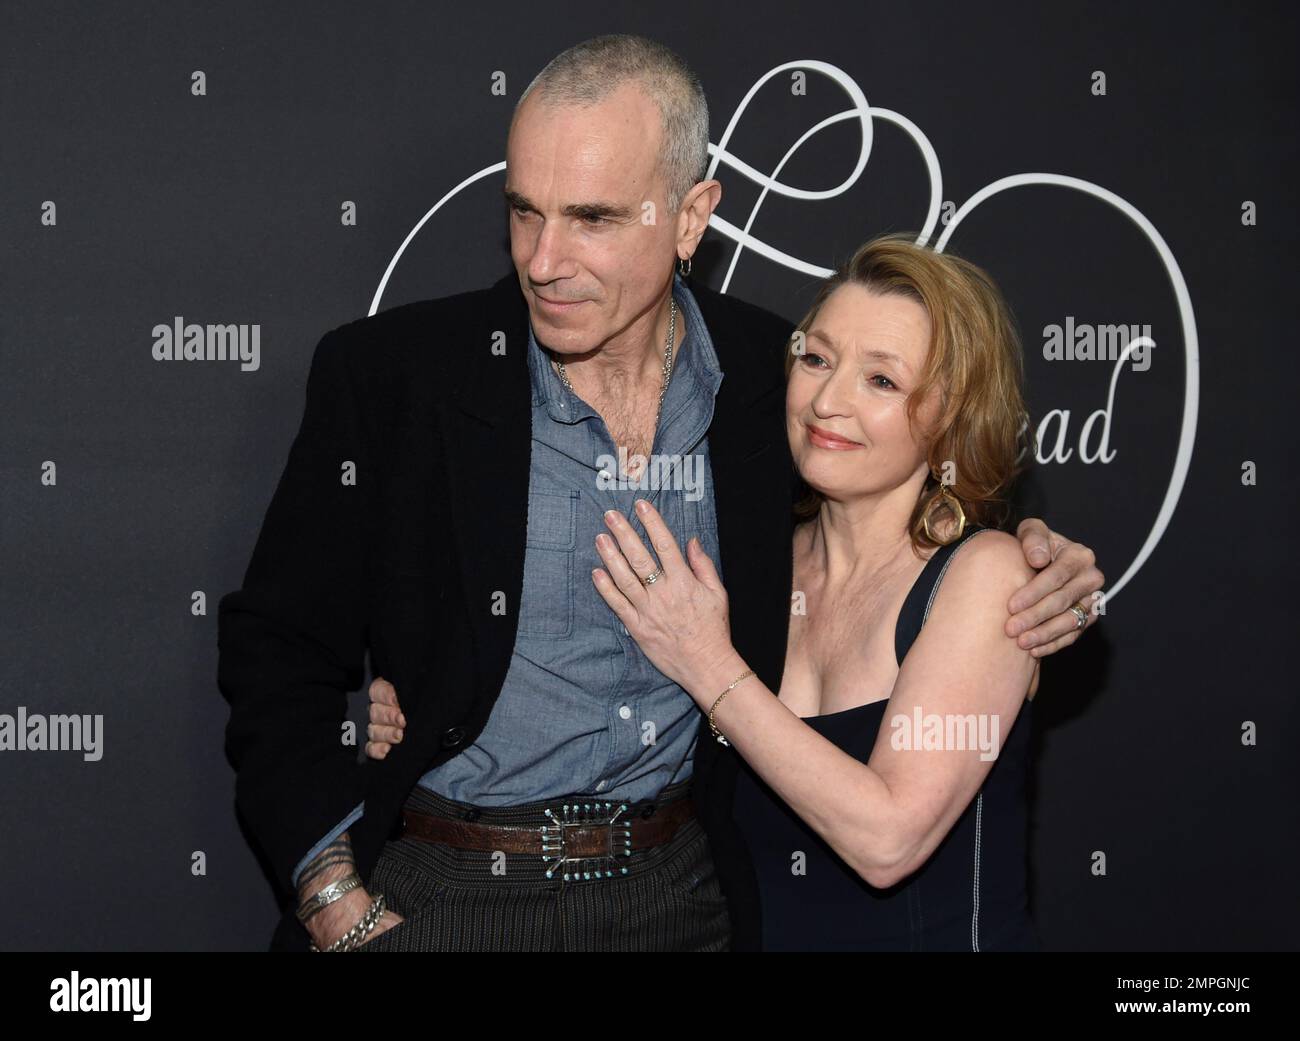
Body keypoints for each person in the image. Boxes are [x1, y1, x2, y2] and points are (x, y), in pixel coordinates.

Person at [220, 34, 1103, 953]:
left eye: (594, 219)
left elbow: (912, 510)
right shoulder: (396, 377)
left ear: (691, 217)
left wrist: (1040, 566)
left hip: (686, 897)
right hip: (447, 892)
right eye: (525, 211)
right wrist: (335, 901)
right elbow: (276, 649)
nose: (545, 259)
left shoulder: (779, 383)